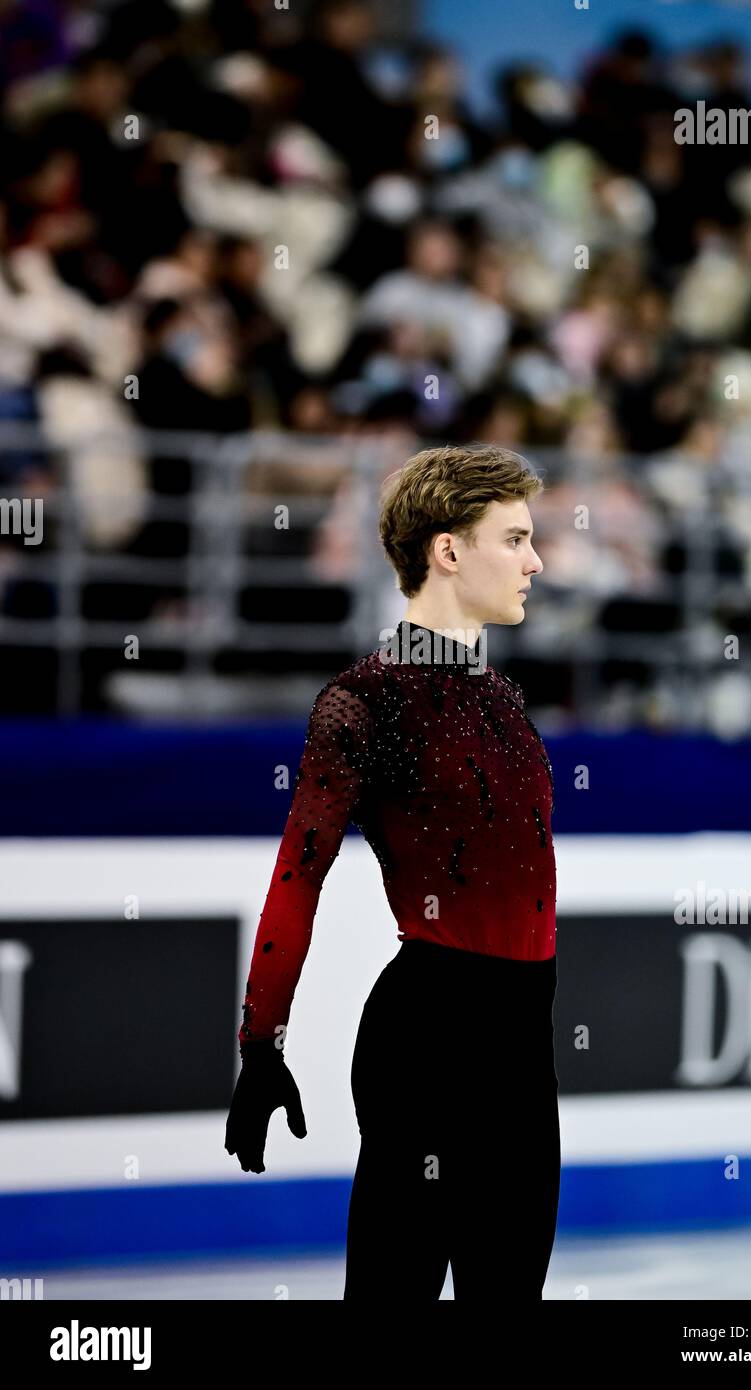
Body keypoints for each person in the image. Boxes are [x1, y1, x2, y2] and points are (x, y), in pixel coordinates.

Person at [225, 443, 560, 1300]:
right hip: (428, 1044)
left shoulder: (502, 698)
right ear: (449, 550)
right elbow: (296, 881)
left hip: (524, 1054)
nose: (537, 561)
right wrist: (261, 1045)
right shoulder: (363, 701)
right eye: (516, 539)